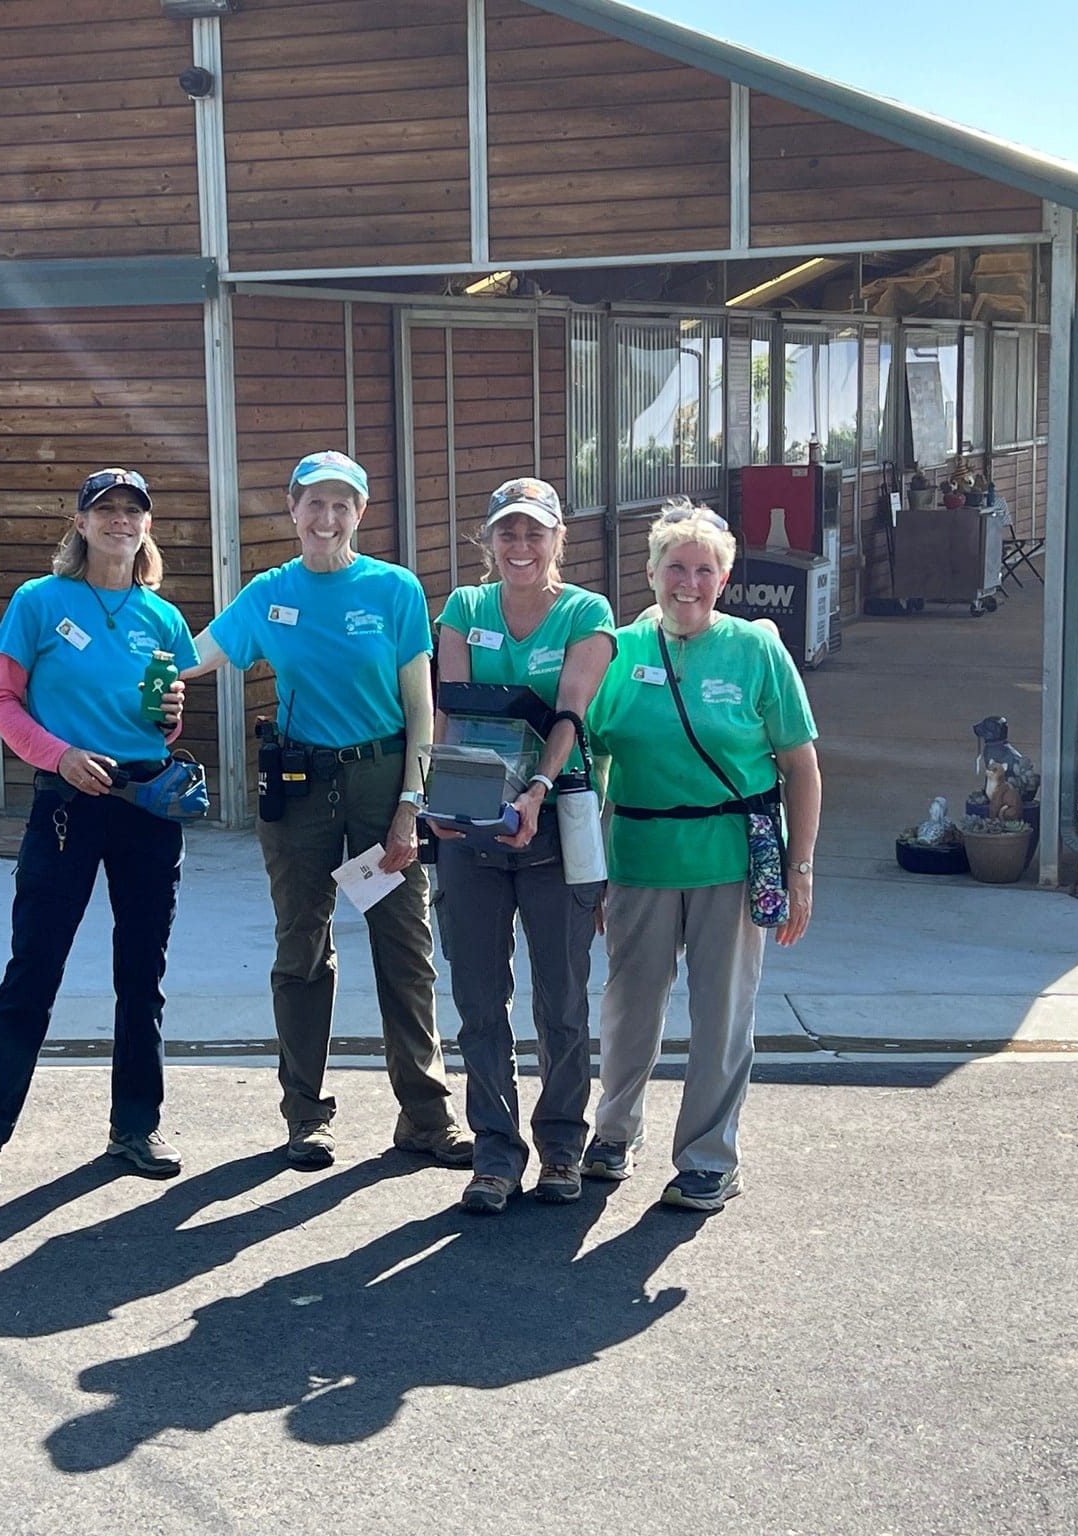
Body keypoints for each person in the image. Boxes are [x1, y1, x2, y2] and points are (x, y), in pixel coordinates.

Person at [182, 451, 472, 1171]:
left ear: (360, 514)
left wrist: (410, 805)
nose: (327, 518)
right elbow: (194, 657)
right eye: (315, 502)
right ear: (292, 508)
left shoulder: (394, 590)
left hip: (380, 788)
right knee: (303, 950)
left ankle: (426, 1116)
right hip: (303, 790)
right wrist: (118, 674)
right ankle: (305, 1116)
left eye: (342, 504)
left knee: (403, 948)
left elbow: (420, 709)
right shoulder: (268, 595)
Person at [0, 468, 197, 1193]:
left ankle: (135, 1127)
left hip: (146, 806)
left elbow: (165, 719)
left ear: (147, 526)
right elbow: (1, 702)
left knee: (141, 974)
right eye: (106, 510)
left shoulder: (163, 617)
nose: (120, 521)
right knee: (35, 969)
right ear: (81, 524)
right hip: (66, 805)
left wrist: (171, 715)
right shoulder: (39, 601)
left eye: (133, 511)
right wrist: (59, 755)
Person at [582, 499, 822, 1213]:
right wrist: (586, 867)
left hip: (731, 860)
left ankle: (708, 1160)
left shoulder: (756, 650)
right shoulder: (617, 650)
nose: (688, 582)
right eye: (675, 567)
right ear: (651, 572)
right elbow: (590, 763)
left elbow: (801, 767)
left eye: (704, 570)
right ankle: (614, 1134)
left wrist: (801, 870)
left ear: (724, 578)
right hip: (638, 857)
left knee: (722, 1014)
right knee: (629, 1008)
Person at [433, 477, 615, 1215]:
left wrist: (535, 792)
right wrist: (440, 802)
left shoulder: (586, 613)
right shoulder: (462, 609)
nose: (520, 547)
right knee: (479, 999)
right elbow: (452, 714)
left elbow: (570, 713)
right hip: (472, 826)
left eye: (534, 533)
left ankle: (563, 1146)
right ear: (488, 540)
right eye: (507, 533)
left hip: (556, 823)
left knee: (563, 999)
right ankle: (495, 1154)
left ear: (557, 540)